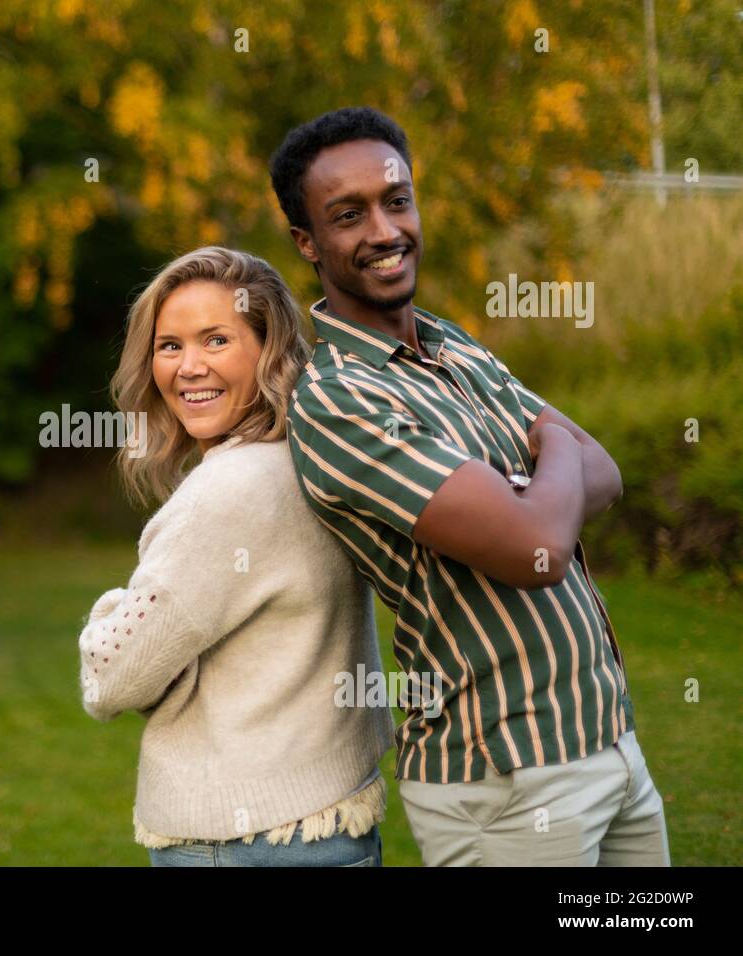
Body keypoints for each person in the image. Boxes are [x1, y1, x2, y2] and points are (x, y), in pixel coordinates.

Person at [269, 106, 670, 865]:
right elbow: (537, 548)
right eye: (348, 216)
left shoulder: (454, 344)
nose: (385, 231)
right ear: (308, 243)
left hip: (609, 741)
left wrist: (534, 484)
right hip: (506, 778)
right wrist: (553, 447)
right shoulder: (338, 399)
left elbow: (607, 475)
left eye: (397, 200)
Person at [77, 245, 395, 866]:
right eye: (169, 346)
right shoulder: (313, 460)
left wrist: (112, 611)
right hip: (332, 824)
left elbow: (109, 678)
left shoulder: (225, 494)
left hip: (239, 844)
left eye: (215, 341)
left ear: (268, 348)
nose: (188, 367)